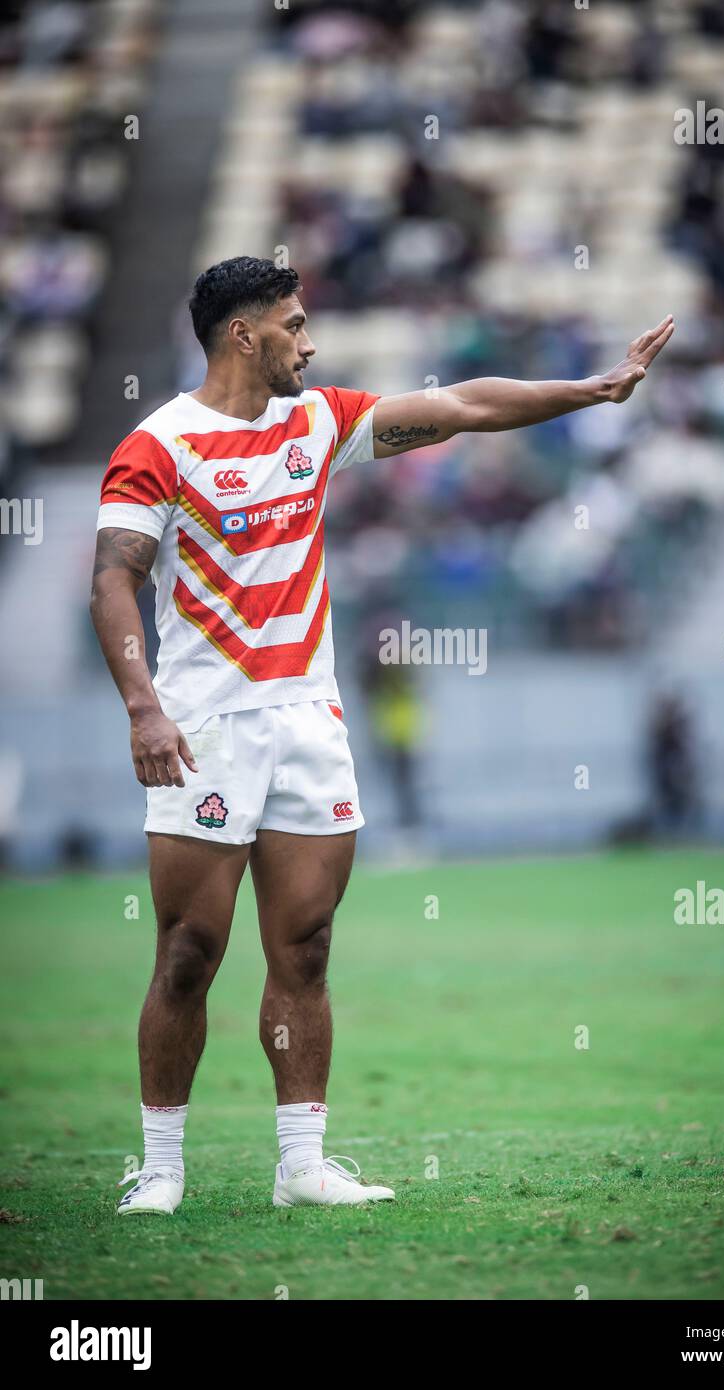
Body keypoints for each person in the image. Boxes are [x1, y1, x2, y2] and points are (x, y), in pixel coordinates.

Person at [90, 255, 674, 1214]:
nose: (310, 342)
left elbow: (460, 407)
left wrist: (592, 389)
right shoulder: (158, 445)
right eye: (294, 324)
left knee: (307, 947)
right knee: (189, 951)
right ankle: (159, 1169)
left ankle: (302, 1166)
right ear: (243, 334)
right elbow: (113, 578)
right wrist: (143, 707)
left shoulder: (318, 423)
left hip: (308, 721)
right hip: (204, 729)